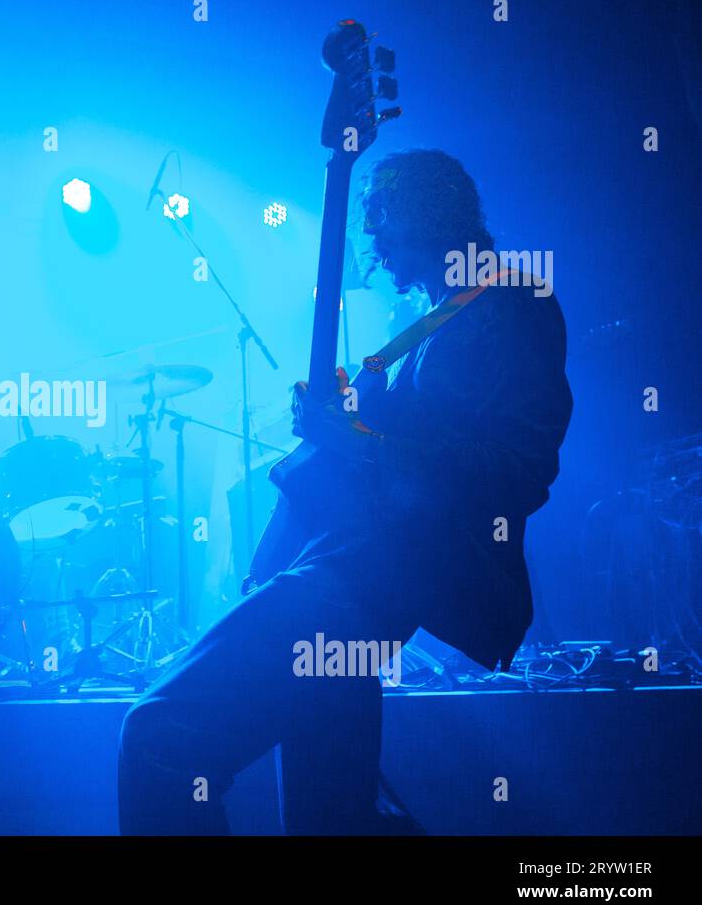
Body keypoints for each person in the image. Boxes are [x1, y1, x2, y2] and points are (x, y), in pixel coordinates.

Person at [117, 149, 573, 834]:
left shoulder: (513, 303)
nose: (372, 243)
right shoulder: (431, 324)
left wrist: (360, 441)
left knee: (160, 736)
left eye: (380, 220)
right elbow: (378, 460)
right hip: (354, 576)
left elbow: (519, 468)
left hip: (367, 582)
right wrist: (349, 426)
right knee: (329, 812)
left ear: (427, 212)